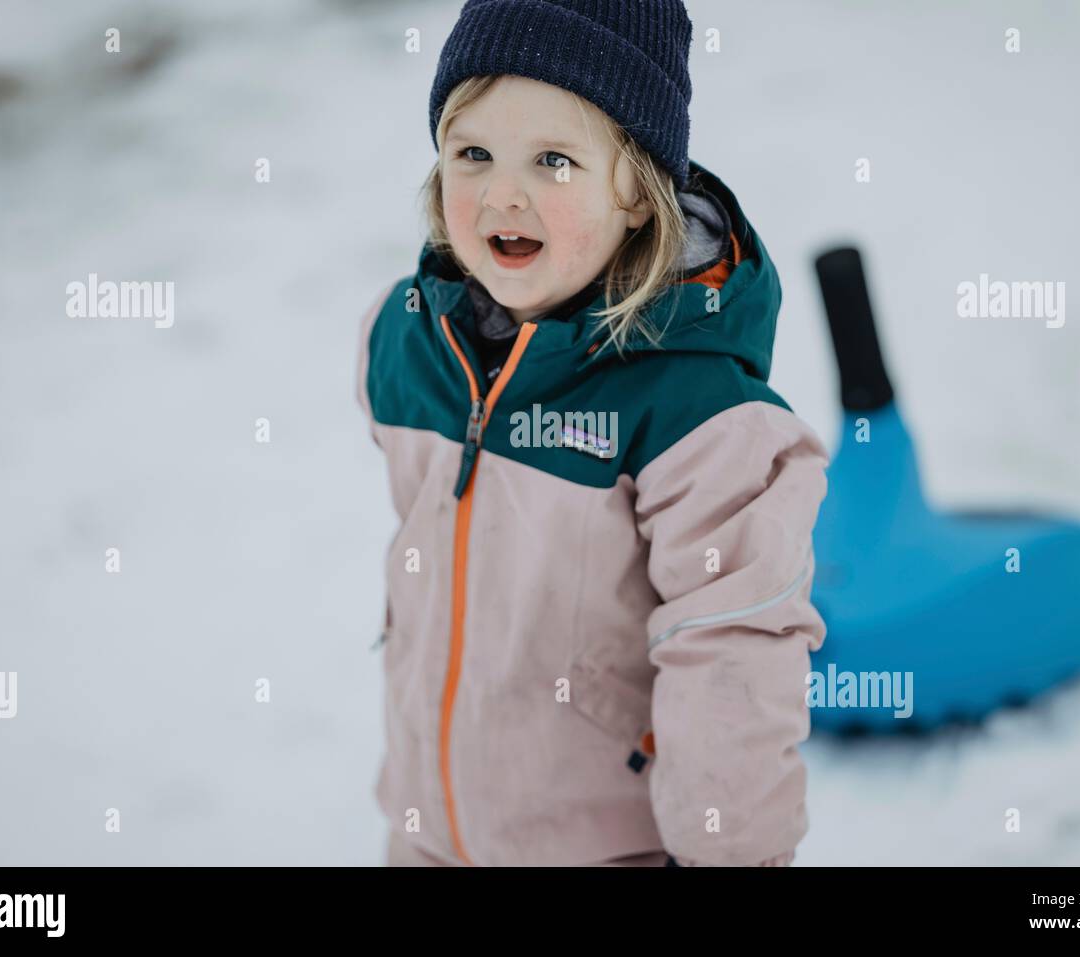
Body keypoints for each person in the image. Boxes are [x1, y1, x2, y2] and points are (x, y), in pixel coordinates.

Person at [356, 0, 830, 867]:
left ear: (639, 194)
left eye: (552, 159)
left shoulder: (697, 415)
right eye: (473, 153)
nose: (502, 192)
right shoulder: (407, 343)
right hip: (426, 833)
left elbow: (732, 650)